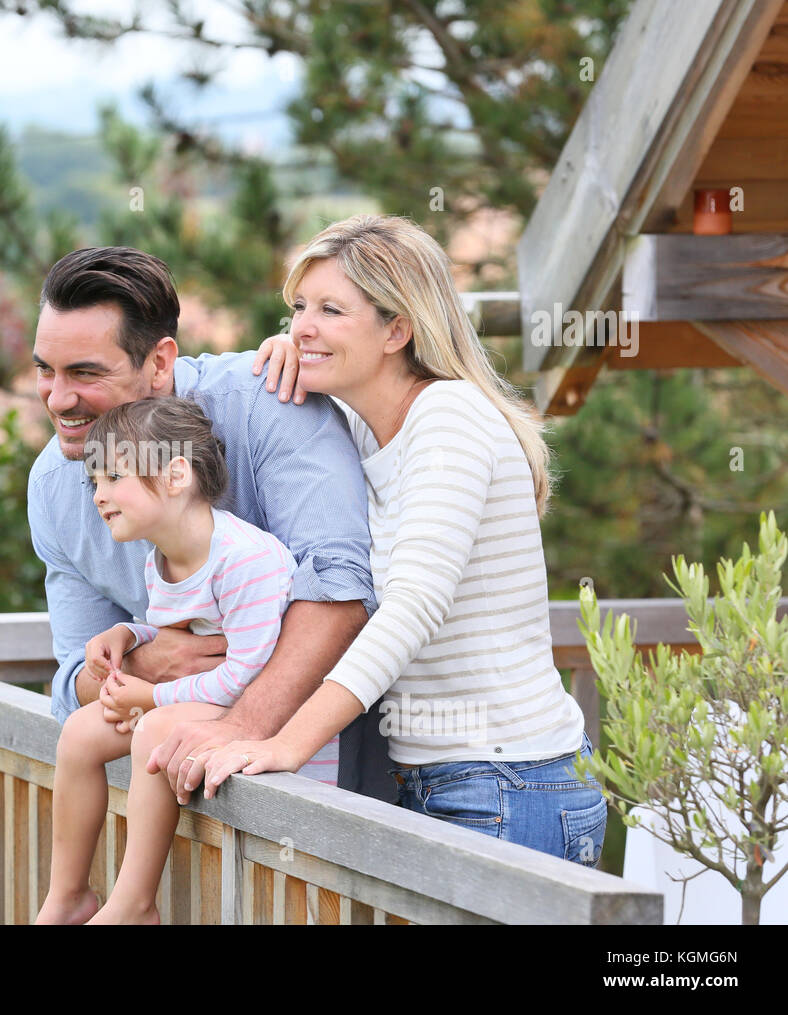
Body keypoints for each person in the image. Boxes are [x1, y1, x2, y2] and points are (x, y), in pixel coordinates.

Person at [188, 214, 606, 867]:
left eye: (331, 309)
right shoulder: (362, 426)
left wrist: (283, 741)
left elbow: (411, 607)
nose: (303, 326)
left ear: (398, 329)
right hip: (434, 779)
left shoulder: (451, 418)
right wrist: (278, 348)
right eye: (298, 307)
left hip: (510, 780)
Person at [27, 246, 395, 806]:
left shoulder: (269, 403)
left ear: (159, 362)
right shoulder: (53, 485)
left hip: (334, 800)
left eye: (85, 373)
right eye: (44, 370)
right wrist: (141, 661)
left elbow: (340, 588)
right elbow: (73, 677)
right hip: (179, 799)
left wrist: (241, 724)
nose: (58, 399)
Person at [36, 396, 302, 924]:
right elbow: (176, 631)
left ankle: (133, 904)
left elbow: (249, 677)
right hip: (207, 700)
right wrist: (127, 635)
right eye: (94, 482)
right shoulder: (163, 560)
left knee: (153, 729)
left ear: (176, 474)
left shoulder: (245, 558)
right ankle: (69, 896)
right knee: (81, 733)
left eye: (113, 476)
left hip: (265, 714)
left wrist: (152, 695)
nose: (99, 495)